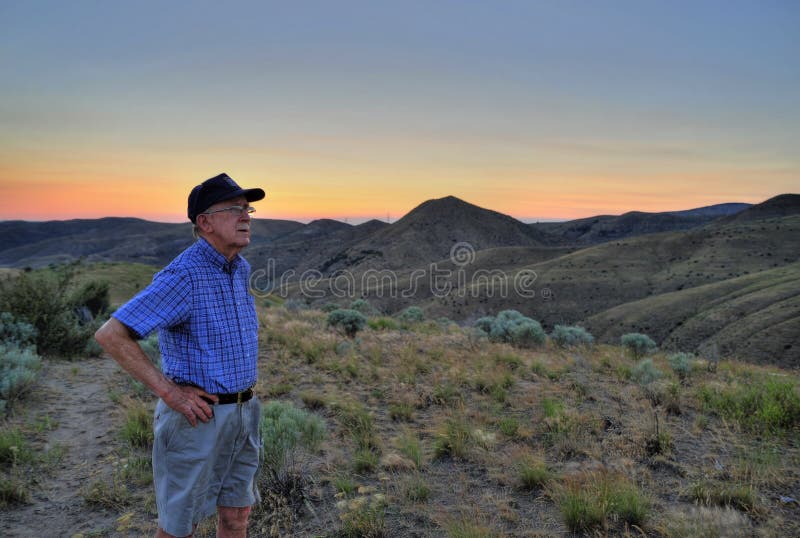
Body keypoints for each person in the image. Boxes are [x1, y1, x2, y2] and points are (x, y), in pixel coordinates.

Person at [95, 172, 266, 538]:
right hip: (197, 421)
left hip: (243, 413)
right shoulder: (184, 276)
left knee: (236, 518)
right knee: (179, 529)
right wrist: (170, 392)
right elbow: (112, 335)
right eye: (234, 209)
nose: (246, 216)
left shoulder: (239, 268)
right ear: (204, 222)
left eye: (247, 208)